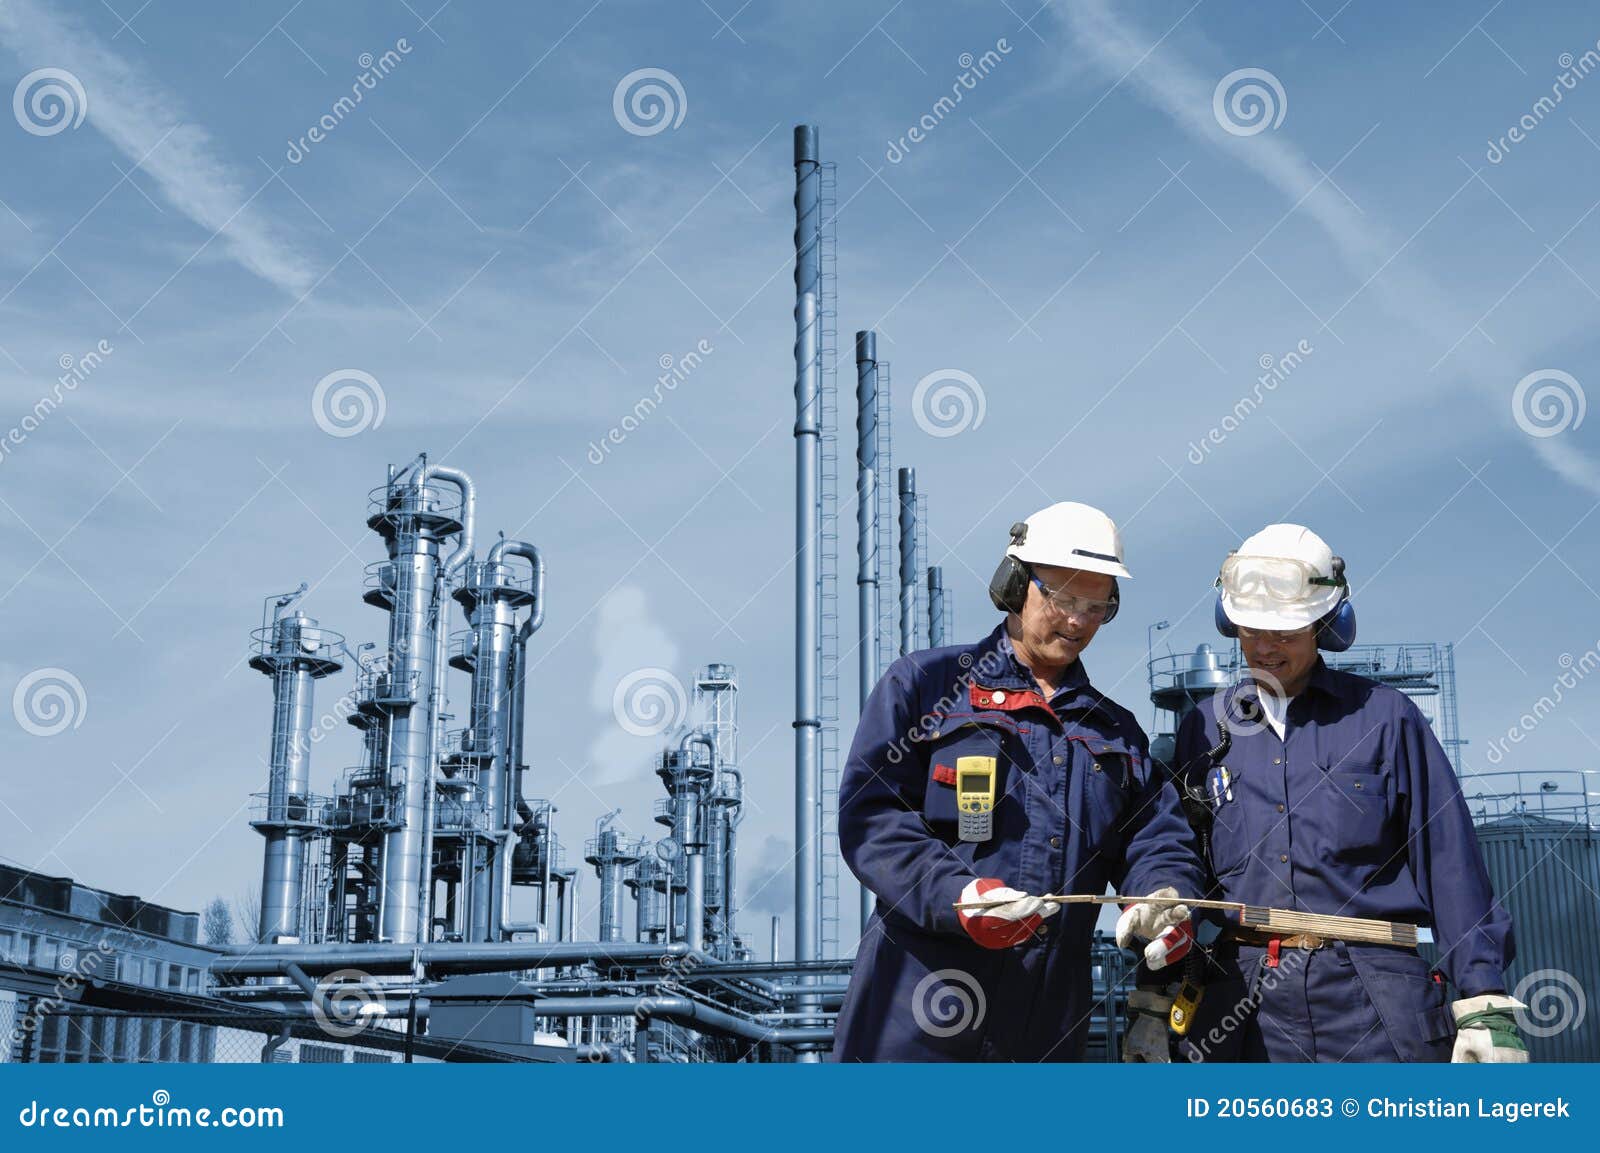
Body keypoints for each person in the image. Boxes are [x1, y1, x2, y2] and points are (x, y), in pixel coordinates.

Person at [832, 502, 1204, 1061]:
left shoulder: (1115, 733)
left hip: (1043, 1030)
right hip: (912, 1022)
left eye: (1096, 605)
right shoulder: (928, 688)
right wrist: (956, 895)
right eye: (1062, 598)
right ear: (1013, 585)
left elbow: (1155, 838)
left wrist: (1164, 897)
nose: (1078, 620)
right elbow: (873, 817)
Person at [1173, 524, 1525, 1063]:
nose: (1265, 647)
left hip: (1375, 998)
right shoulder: (1203, 730)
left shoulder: (1385, 719)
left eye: (1285, 632)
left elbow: (1448, 859)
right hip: (1242, 1006)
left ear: (1325, 624)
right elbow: (1175, 864)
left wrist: (1482, 996)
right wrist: (1156, 995)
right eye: (1251, 629)